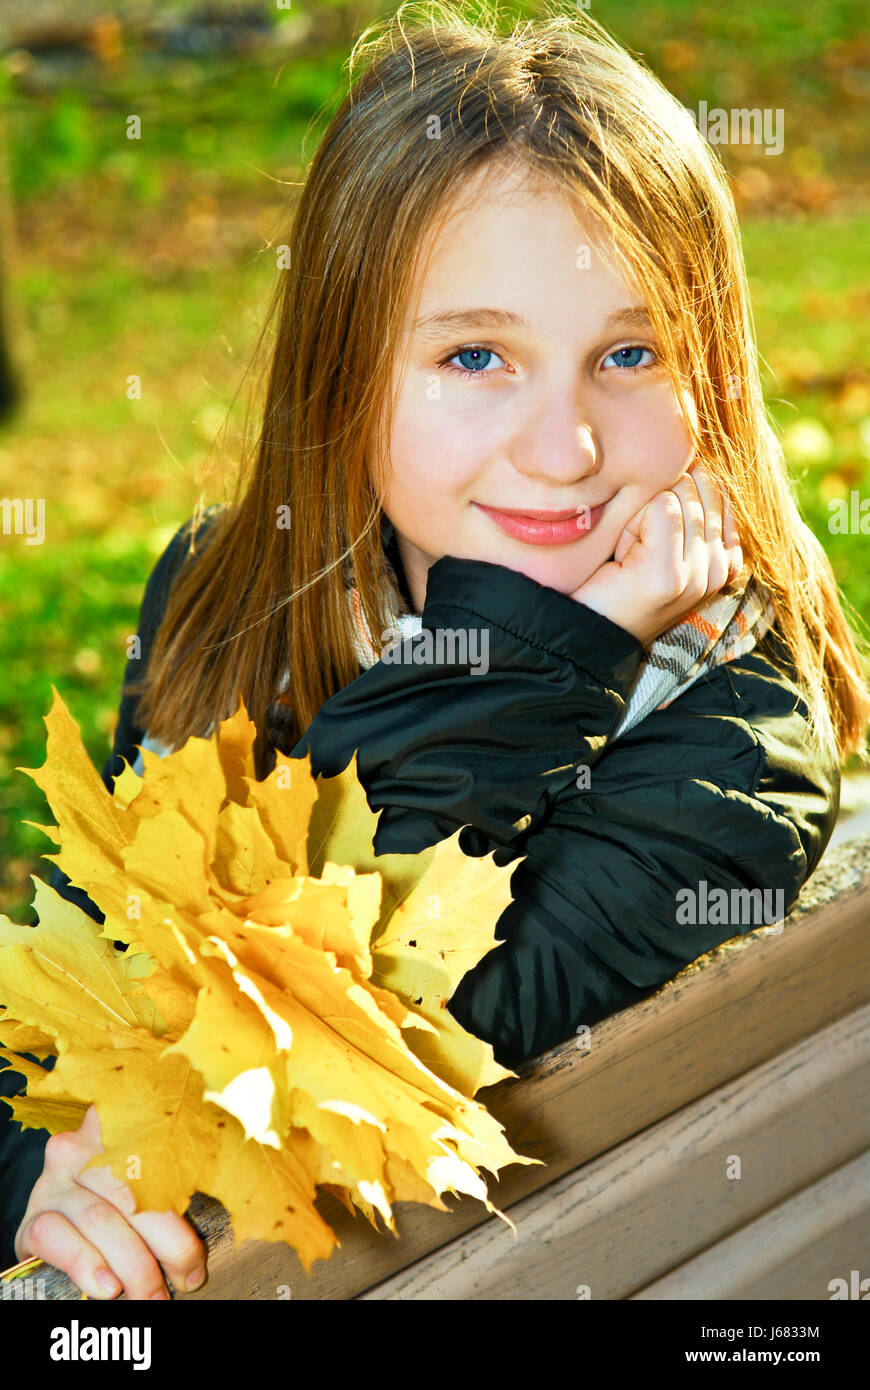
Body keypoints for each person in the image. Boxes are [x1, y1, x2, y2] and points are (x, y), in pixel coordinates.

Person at [2, 0, 867, 1301]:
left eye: (628, 353)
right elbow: (80, 995)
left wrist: (560, 640)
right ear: (342, 376)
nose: (563, 445)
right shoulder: (224, 599)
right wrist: (36, 1177)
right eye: (476, 356)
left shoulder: (726, 752)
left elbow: (348, 1019)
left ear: (714, 380)